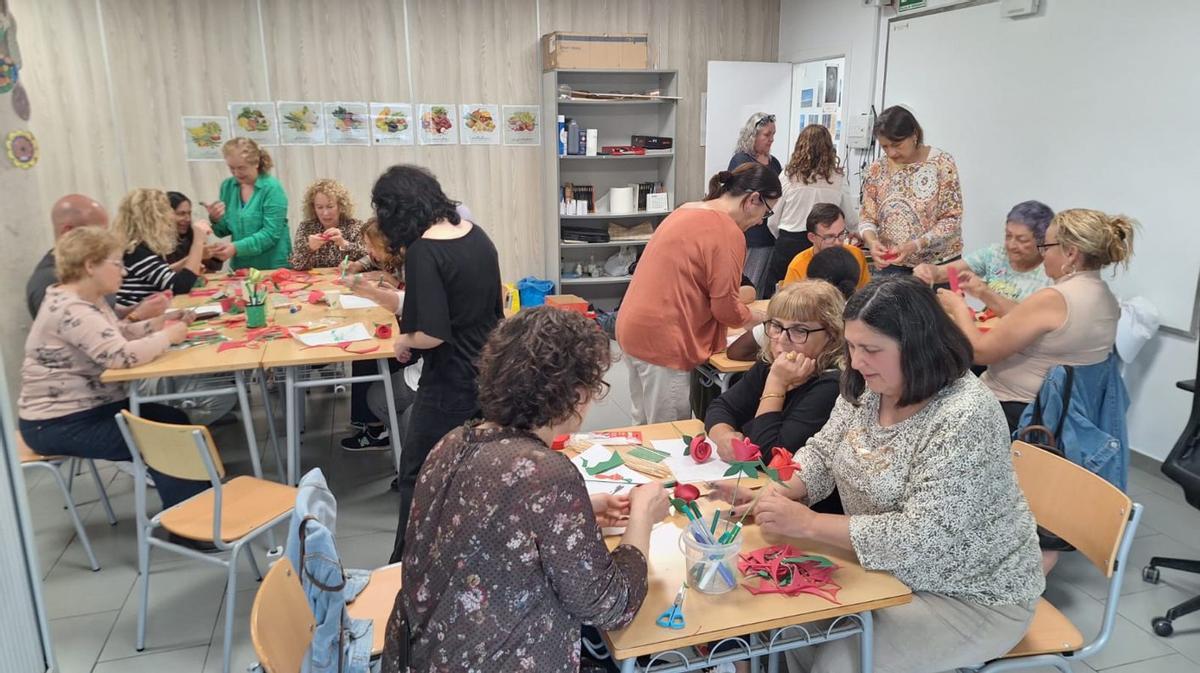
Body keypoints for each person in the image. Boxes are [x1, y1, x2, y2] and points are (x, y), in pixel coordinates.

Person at [720, 276, 1044, 673]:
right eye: (853, 347)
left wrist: (808, 522)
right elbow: (823, 452)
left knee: (838, 661)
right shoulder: (868, 385)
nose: (856, 362)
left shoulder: (964, 415)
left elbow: (922, 536)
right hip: (884, 568)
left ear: (918, 347)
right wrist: (773, 493)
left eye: (871, 349)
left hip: (969, 592)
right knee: (786, 622)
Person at [381, 306, 670, 673]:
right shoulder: (545, 474)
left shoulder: (454, 441)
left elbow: (486, 528)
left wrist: (582, 509)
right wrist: (642, 518)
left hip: (420, 656)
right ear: (578, 396)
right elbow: (611, 605)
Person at [18, 227, 208, 512]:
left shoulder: (86, 299)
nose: (124, 272)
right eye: (117, 264)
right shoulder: (72, 309)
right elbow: (120, 355)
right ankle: (191, 522)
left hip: (87, 410)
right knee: (164, 438)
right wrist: (169, 336)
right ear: (90, 265)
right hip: (59, 423)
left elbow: (117, 333)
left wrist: (161, 322)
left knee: (174, 419)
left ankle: (200, 505)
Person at [373, 165, 502, 563]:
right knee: (477, 470)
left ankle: (404, 565)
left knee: (416, 474)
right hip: (490, 371)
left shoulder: (425, 251)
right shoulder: (475, 234)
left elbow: (432, 334)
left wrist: (403, 340)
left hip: (450, 381)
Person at [938, 209, 1135, 431]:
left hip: (1017, 412)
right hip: (1063, 415)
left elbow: (980, 352)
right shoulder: (1105, 297)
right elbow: (1025, 317)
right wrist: (983, 292)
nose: (1043, 255)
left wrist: (958, 307)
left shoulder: (1055, 298)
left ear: (1071, 253)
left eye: (1047, 247)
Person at [617, 163, 776, 425]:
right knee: (668, 434)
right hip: (664, 340)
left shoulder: (688, 209)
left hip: (633, 327)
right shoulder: (727, 231)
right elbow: (725, 308)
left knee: (643, 427)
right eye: (766, 213)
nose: (760, 221)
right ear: (753, 200)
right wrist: (761, 320)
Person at [705, 280, 844, 462]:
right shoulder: (773, 361)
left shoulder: (832, 385)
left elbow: (769, 454)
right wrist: (724, 436)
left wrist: (776, 384)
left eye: (799, 330)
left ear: (832, 335)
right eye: (776, 326)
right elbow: (722, 406)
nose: (782, 340)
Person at [858, 106, 963, 275]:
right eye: (885, 147)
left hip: (941, 264)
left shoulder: (941, 163)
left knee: (946, 302)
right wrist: (871, 241)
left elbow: (952, 219)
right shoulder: (877, 168)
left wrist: (916, 245)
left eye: (897, 145)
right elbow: (867, 217)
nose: (891, 153)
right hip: (893, 265)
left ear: (914, 135)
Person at [341, 219, 413, 454]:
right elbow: (368, 259)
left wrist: (391, 283)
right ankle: (370, 424)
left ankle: (376, 429)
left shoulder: (411, 260)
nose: (370, 252)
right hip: (404, 326)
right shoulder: (388, 256)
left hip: (412, 337)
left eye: (373, 246)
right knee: (363, 353)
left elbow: (415, 297)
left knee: (368, 356)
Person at [915, 200, 1053, 316]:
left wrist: (983, 292)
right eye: (1008, 236)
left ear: (1042, 241)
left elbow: (1028, 320)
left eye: (1021, 240)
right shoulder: (996, 254)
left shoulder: (1051, 273)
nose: (1011, 245)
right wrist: (929, 271)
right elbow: (946, 272)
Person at [765, 124, 859, 292]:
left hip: (789, 241)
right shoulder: (837, 178)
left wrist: (782, 238)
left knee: (783, 295)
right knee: (820, 293)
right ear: (829, 148)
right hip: (825, 243)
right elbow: (850, 219)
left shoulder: (788, 176)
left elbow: (773, 218)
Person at [112, 188, 210, 309]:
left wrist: (186, 262)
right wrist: (198, 240)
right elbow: (180, 286)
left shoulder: (138, 247)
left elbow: (158, 274)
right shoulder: (137, 252)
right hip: (137, 317)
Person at [204, 138, 290, 270]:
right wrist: (216, 219)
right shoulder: (228, 187)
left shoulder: (272, 188)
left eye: (241, 168)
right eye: (231, 168)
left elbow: (271, 234)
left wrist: (235, 248)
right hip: (241, 267)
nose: (236, 173)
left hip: (271, 267)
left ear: (256, 163)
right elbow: (223, 231)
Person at [728, 112, 782, 296]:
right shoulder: (741, 161)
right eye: (767, 135)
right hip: (751, 234)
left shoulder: (774, 163)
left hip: (771, 233)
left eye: (773, 135)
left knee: (764, 288)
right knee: (748, 285)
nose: (771, 140)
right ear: (753, 135)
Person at [781, 203, 871, 289]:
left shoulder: (856, 255)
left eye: (841, 234)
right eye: (829, 237)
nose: (837, 242)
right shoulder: (798, 266)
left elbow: (866, 294)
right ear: (812, 237)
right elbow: (788, 303)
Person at [288, 178, 367, 270]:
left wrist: (345, 244)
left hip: (347, 281)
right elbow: (296, 266)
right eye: (320, 207)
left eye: (330, 207)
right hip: (316, 282)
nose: (325, 213)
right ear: (313, 208)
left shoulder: (355, 226)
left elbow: (371, 260)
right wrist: (309, 248)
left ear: (340, 206)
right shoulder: (306, 228)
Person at [165, 191, 222, 273]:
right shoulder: (154, 243)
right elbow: (163, 274)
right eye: (181, 214)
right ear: (165, 215)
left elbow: (211, 269)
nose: (188, 219)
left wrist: (215, 254)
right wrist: (198, 255)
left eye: (189, 213)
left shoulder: (190, 234)